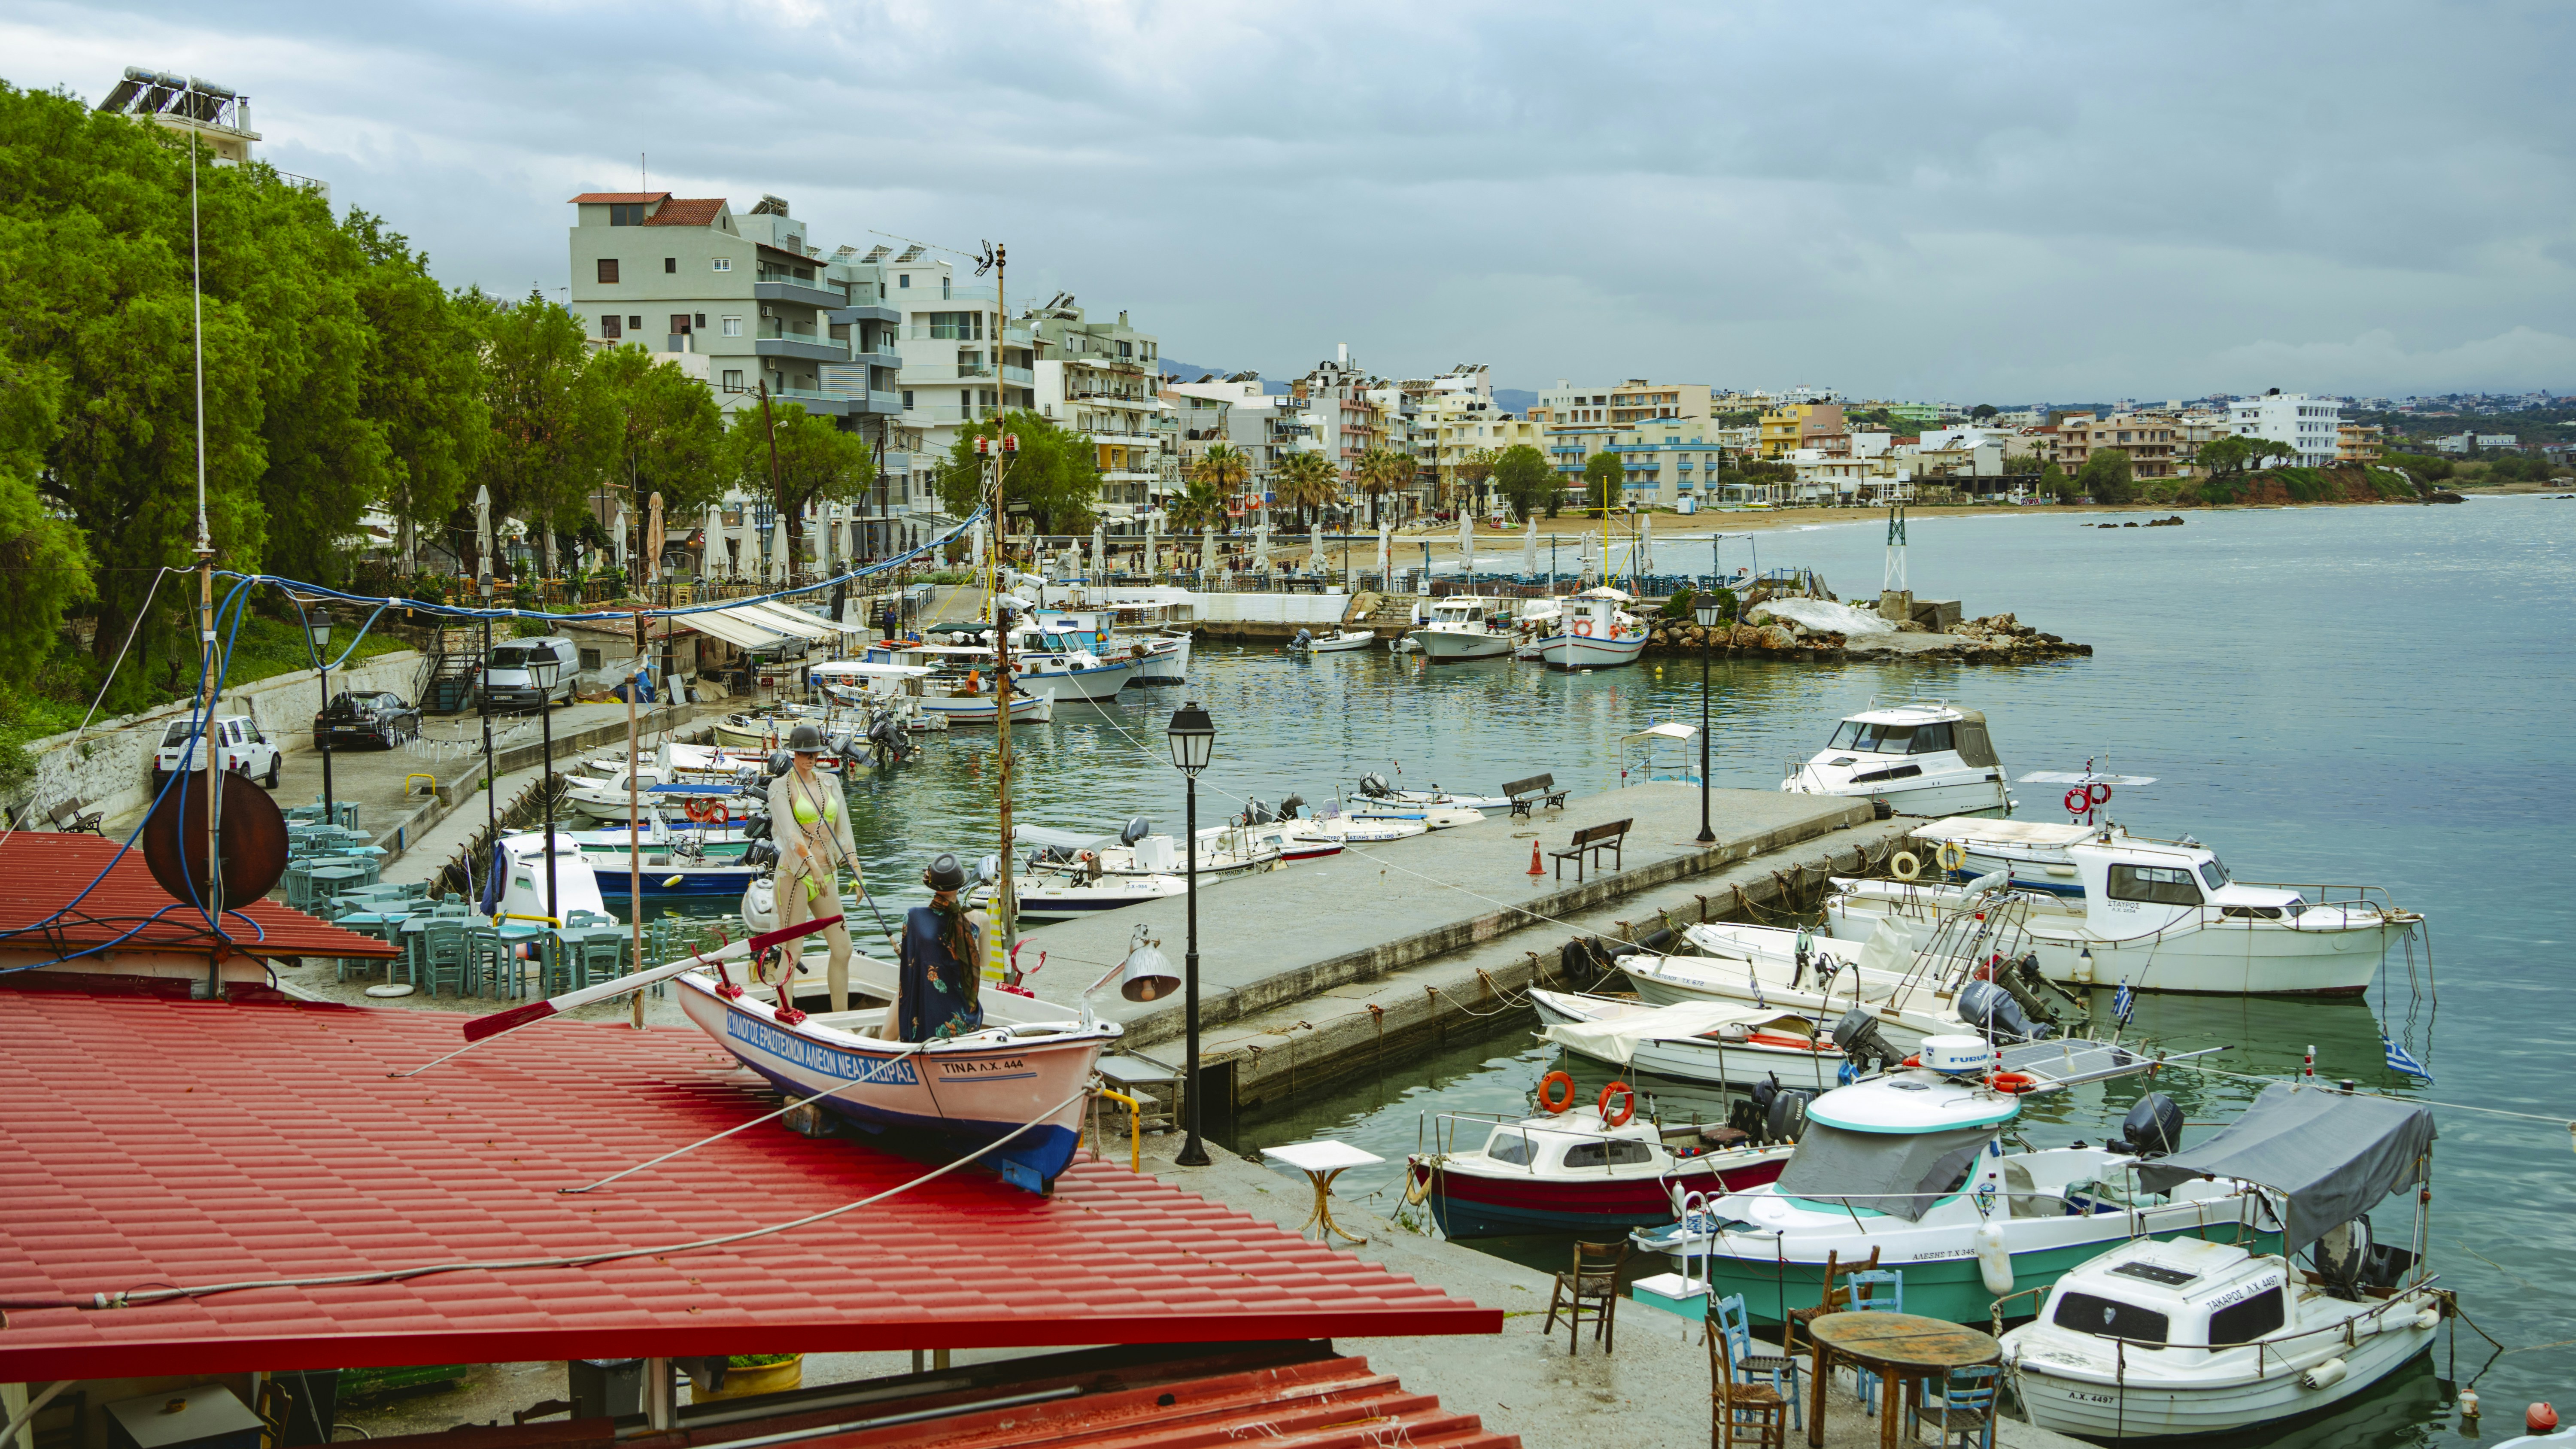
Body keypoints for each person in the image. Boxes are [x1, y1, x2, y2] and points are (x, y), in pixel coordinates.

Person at [766, 723, 858, 1011]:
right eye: (805, 753)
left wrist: (855, 868)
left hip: (826, 872)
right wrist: (811, 866)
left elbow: (844, 828)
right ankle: (785, 1014)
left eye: (815, 752)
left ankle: (841, 1019)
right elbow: (789, 832)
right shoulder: (779, 787)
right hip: (794, 874)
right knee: (793, 950)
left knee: (843, 949)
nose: (811, 758)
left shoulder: (830, 782)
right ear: (794, 753)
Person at [893, 854, 984, 1042]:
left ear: (931, 885)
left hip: (927, 1022)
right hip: (965, 1019)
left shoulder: (913, 918)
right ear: (960, 886)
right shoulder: (977, 920)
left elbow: (910, 967)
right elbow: (984, 964)